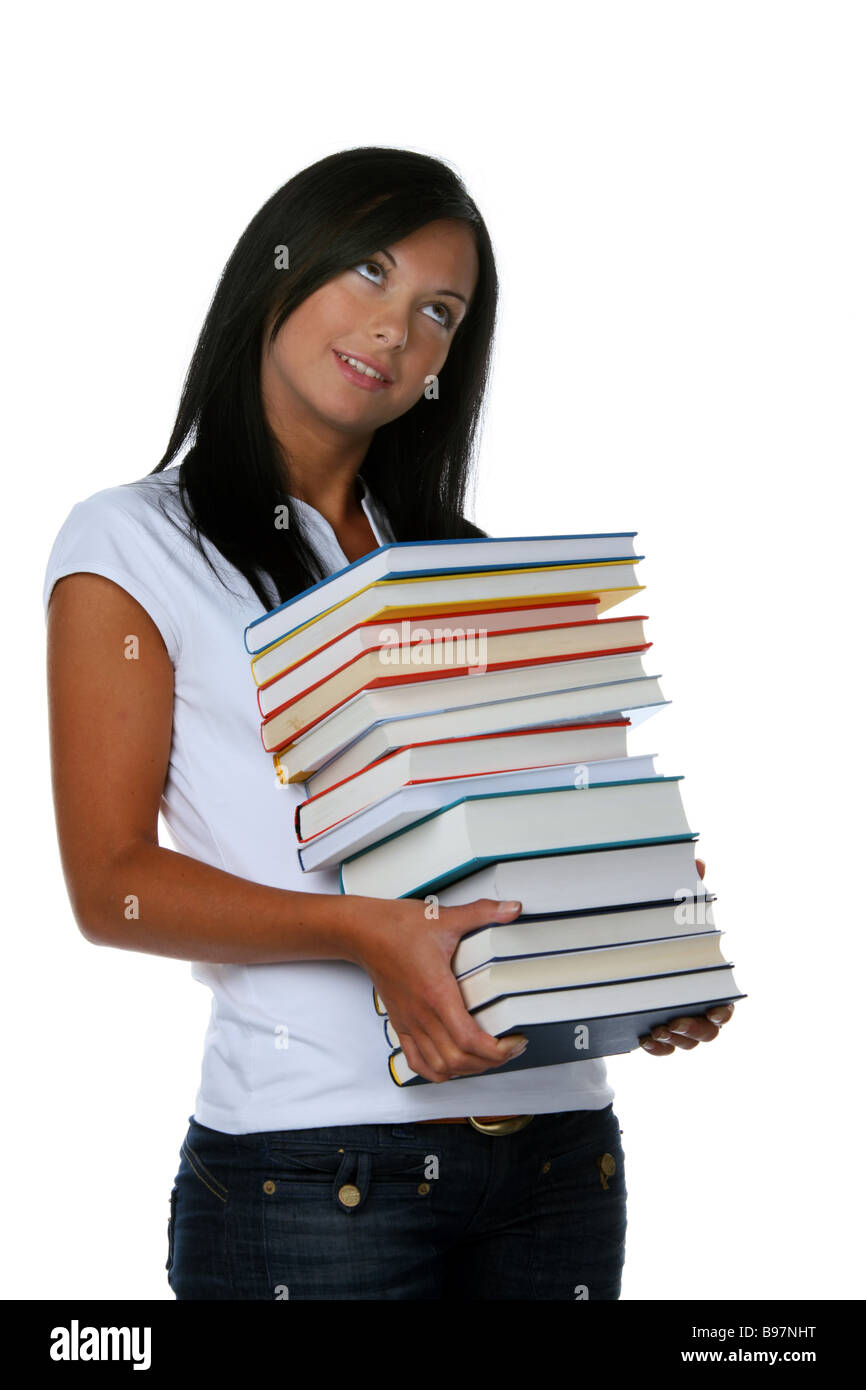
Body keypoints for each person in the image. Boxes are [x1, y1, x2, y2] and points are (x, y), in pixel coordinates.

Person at [43, 146, 734, 1301]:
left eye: (437, 311)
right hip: (317, 1170)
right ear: (277, 268)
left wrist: (636, 929)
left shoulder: (464, 567)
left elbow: (539, 827)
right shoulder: (134, 543)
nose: (393, 328)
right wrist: (368, 932)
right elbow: (111, 886)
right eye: (368, 269)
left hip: (560, 1156)